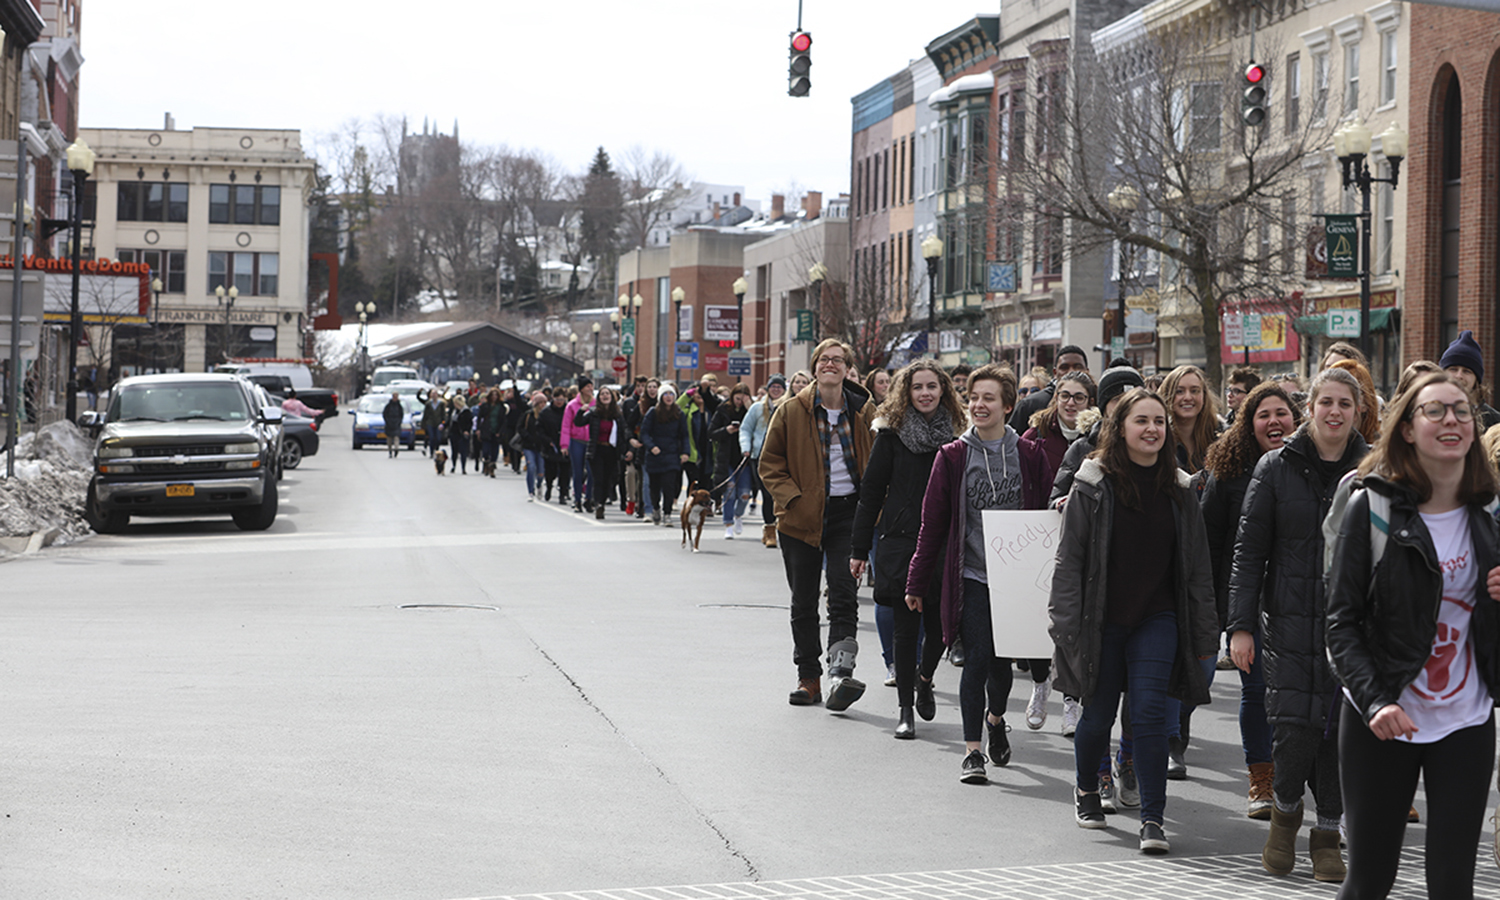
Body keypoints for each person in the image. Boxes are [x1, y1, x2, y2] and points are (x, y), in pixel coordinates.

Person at [1324, 371, 1500, 899]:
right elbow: (1340, 622)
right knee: (1371, 880)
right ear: (1407, 427)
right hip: (1383, 718)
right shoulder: (1372, 508)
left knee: (1452, 885)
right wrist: (1376, 701)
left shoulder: (1490, 515)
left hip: (1466, 720)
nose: (1452, 420)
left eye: (1462, 411)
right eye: (1436, 411)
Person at [1049, 387, 1217, 854]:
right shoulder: (1092, 483)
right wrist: (1065, 628)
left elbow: (1198, 569)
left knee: (1148, 716)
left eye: (1159, 422)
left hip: (1158, 619)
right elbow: (1069, 562)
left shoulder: (1183, 490)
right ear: (1119, 428)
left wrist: (1205, 634)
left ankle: (1152, 818)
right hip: (1101, 620)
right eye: (1141, 421)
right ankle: (1086, 790)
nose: (1152, 430)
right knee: (1098, 715)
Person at [1227, 366, 1369, 883]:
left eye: (1344, 405)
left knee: (1336, 733)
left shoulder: (1375, 469)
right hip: (1285, 623)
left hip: (1350, 628)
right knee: (1292, 730)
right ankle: (1284, 818)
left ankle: (1327, 835)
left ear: (1357, 412)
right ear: (1310, 407)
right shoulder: (1274, 466)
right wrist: (1240, 625)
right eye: (1325, 402)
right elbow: (1249, 552)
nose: (1334, 412)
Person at [904, 364, 1049, 783]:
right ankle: (972, 751)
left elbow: (1045, 514)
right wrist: (916, 580)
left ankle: (996, 718)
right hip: (972, 575)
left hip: (1017, 580)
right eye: (973, 397)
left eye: (988, 398)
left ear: (1007, 405)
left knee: (1002, 665)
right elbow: (932, 524)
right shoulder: (951, 457)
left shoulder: (1029, 455)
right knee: (978, 657)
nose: (979, 405)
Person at [1200, 382, 1301, 819]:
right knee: (1257, 690)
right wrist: (1222, 609)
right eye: (1264, 414)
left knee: (1300, 695)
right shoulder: (1227, 471)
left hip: (1299, 599)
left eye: (1282, 413)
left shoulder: (1309, 466)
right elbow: (1211, 542)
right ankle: (1260, 775)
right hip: (1248, 601)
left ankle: (1296, 777)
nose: (1274, 421)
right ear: (1249, 422)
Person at [760, 339, 877, 710]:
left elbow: (879, 461)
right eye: (824, 359)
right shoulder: (790, 410)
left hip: (849, 514)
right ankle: (808, 677)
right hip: (800, 519)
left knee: (843, 592)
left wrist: (874, 506)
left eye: (838, 360)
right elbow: (770, 463)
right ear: (814, 367)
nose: (831, 364)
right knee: (804, 600)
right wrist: (793, 499)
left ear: (847, 368)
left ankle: (840, 673)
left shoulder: (864, 409)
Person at [851, 360, 966, 739]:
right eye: (918, 387)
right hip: (901, 541)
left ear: (943, 390)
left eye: (932, 386)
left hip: (945, 543)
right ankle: (905, 710)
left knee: (939, 630)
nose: (926, 393)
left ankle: (925, 677)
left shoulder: (959, 436)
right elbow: (870, 494)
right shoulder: (891, 435)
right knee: (905, 628)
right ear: (907, 392)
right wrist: (858, 548)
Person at [741, 374, 788, 548]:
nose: (776, 390)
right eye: (773, 387)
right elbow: (746, 429)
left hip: (782, 456)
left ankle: (782, 529)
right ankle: (770, 531)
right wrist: (746, 447)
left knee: (780, 496)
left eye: (779, 387)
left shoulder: (787, 407)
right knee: (768, 495)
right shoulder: (757, 408)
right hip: (759, 457)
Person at [1009, 346, 1089, 432]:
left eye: (1077, 367)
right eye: (1064, 367)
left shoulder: (1098, 404)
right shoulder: (1029, 405)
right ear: (1055, 372)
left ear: (1087, 371)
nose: (1071, 371)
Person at [710, 383, 754, 539]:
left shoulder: (752, 410)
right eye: (737, 398)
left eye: (743, 399)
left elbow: (762, 427)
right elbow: (711, 432)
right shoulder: (723, 409)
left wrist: (750, 408)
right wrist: (726, 430)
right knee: (730, 492)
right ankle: (728, 524)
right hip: (727, 457)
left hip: (746, 457)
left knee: (744, 494)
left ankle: (738, 515)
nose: (739, 402)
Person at [640, 384, 689, 524]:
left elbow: (684, 435)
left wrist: (685, 452)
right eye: (665, 394)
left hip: (672, 454)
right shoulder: (652, 412)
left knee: (669, 486)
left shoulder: (679, 414)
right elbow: (644, 433)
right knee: (654, 487)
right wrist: (651, 446)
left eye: (671, 394)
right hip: (655, 455)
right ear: (661, 397)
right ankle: (655, 508)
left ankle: (667, 514)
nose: (669, 397)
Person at [1159, 364, 1218, 474]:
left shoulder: (1220, 436)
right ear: (1167, 394)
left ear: (1204, 396)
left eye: (1194, 391)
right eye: (1179, 391)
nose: (1187, 397)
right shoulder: (1158, 439)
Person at [578, 386, 626, 520]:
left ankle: (602, 502)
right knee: (598, 479)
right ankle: (598, 504)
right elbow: (579, 422)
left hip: (611, 450)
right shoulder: (593, 412)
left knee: (608, 480)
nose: (605, 396)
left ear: (612, 398)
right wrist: (580, 412)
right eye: (602, 394)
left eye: (607, 394)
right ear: (599, 398)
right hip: (597, 450)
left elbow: (623, 432)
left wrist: (627, 448)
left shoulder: (617, 414)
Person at [1440, 329, 1500, 428]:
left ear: (1476, 380)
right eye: (1453, 369)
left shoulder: (1495, 423)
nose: (1459, 376)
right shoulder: (1428, 411)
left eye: (1467, 371)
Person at [1328, 358, 1382, 444]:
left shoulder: (1384, 453)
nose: (1335, 411)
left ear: (1364, 403)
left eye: (1344, 403)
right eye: (1326, 402)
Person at [561, 377, 595, 511]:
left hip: (591, 441)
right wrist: (564, 445)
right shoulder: (572, 405)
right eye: (587, 386)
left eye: (591, 386)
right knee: (578, 471)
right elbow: (566, 426)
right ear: (581, 389)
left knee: (592, 472)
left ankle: (589, 498)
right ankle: (577, 500)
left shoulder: (596, 404)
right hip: (577, 441)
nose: (590, 389)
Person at [538, 388, 571, 504]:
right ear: (553, 398)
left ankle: (563, 493)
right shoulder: (546, 412)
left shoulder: (568, 410)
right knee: (550, 471)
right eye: (557, 399)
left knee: (565, 472)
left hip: (565, 445)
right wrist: (547, 441)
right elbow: (539, 429)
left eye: (562, 399)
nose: (559, 402)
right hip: (551, 445)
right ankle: (549, 486)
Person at [518, 391, 551, 501]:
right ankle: (531, 491)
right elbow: (520, 427)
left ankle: (539, 484)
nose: (542, 405)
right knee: (531, 467)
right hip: (529, 446)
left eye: (544, 402)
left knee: (541, 471)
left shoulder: (546, 415)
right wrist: (526, 436)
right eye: (540, 403)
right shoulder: (528, 415)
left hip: (541, 447)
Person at [446, 393, 473, 474]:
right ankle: (453, 466)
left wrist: (467, 430)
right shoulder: (453, 411)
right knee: (454, 451)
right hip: (454, 432)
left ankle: (463, 468)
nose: (454, 405)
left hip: (462, 433)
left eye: (456, 403)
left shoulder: (466, 411)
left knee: (463, 451)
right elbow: (449, 421)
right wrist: (444, 425)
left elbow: (469, 422)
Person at [420, 391, 445, 458]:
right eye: (433, 395)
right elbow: (425, 414)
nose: (434, 396)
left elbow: (443, 414)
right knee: (431, 437)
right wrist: (423, 424)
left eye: (435, 394)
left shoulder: (441, 404)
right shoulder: (428, 404)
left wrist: (443, 423)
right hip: (430, 422)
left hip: (438, 422)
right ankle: (431, 452)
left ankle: (436, 450)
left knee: (438, 438)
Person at [382, 392, 405, 458]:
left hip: (396, 425)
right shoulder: (388, 406)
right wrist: (387, 421)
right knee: (389, 440)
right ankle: (390, 451)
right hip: (389, 424)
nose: (395, 398)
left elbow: (401, 415)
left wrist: (399, 422)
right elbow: (384, 414)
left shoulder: (399, 406)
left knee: (396, 438)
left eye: (396, 397)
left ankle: (396, 449)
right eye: (394, 397)